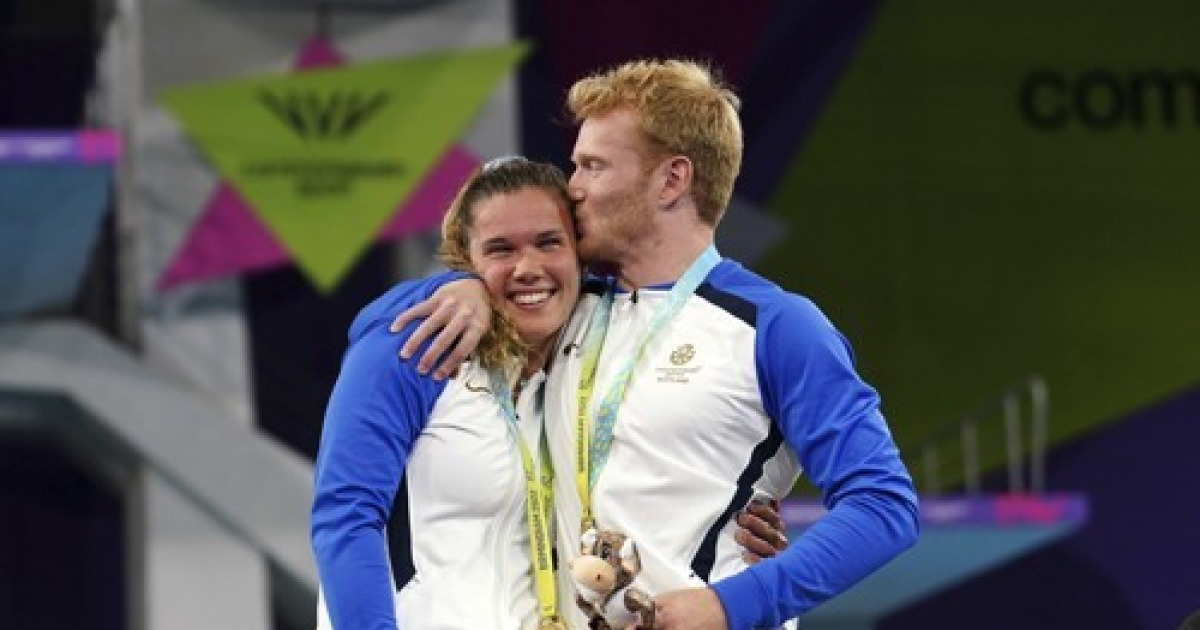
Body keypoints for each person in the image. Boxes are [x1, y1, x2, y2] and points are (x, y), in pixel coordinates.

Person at [391, 59, 919, 629]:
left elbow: (884, 506)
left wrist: (731, 603)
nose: (573, 189)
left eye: (593, 166)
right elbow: (373, 330)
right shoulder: (562, 306)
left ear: (672, 180)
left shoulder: (776, 327)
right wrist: (462, 284)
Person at [311, 156, 785, 629]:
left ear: (578, 253)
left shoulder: (571, 362)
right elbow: (345, 520)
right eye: (499, 249)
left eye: (548, 243)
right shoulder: (418, 342)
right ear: (467, 258)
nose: (527, 268)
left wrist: (737, 523)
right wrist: (446, 289)